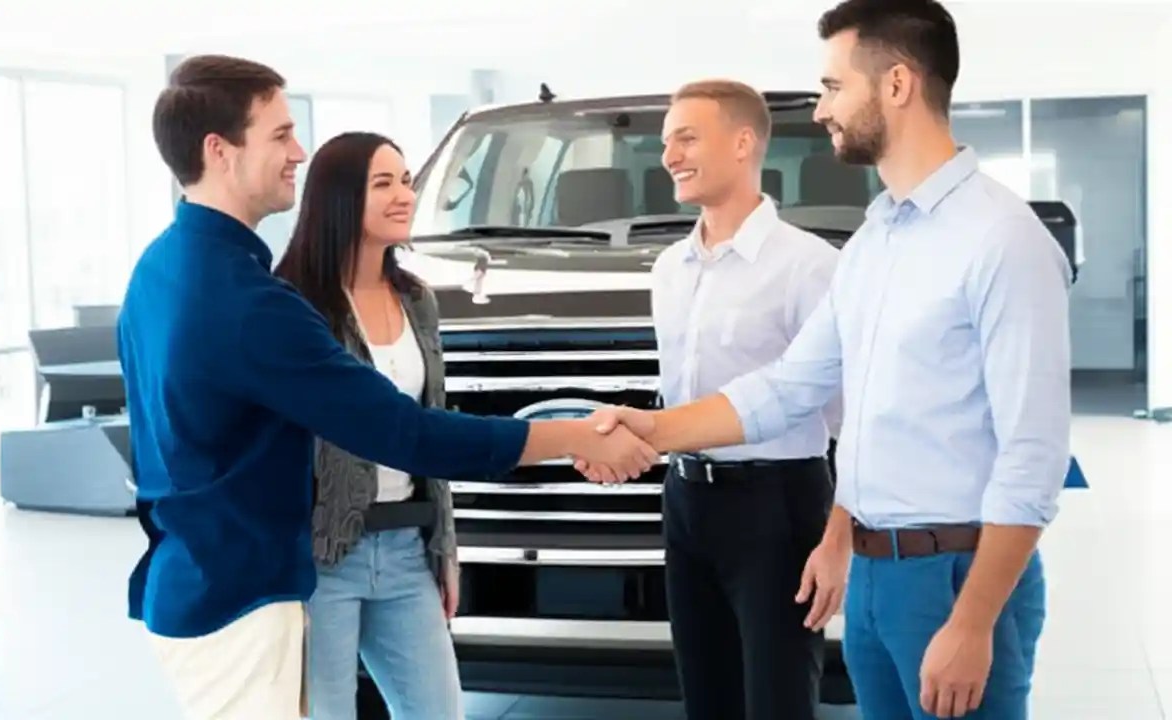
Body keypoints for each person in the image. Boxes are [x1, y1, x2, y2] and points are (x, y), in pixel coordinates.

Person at [118, 54, 658, 720]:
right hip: (244, 596)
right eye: (281, 134)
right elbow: (404, 431)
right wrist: (575, 434)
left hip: (195, 576)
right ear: (219, 151)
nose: (299, 150)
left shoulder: (160, 266)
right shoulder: (250, 302)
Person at [578, 1, 1073, 718]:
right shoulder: (876, 241)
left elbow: (1034, 455)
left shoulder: (1001, 239)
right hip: (876, 573)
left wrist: (972, 622)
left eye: (834, 87)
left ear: (896, 85)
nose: (821, 110)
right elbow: (788, 387)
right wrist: (648, 430)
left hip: (955, 574)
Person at [649, 79, 842, 720]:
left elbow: (851, 421)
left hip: (778, 506)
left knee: (777, 702)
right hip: (685, 499)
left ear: (742, 143)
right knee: (705, 698)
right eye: (666, 141)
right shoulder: (668, 269)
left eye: (686, 137)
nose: (670, 155)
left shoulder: (809, 266)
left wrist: (838, 537)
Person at [271, 131, 465, 719]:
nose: (404, 194)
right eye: (384, 183)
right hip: (323, 554)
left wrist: (446, 546)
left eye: (405, 180)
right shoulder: (294, 304)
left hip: (407, 547)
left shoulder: (417, 299)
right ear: (339, 198)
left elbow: (430, 426)